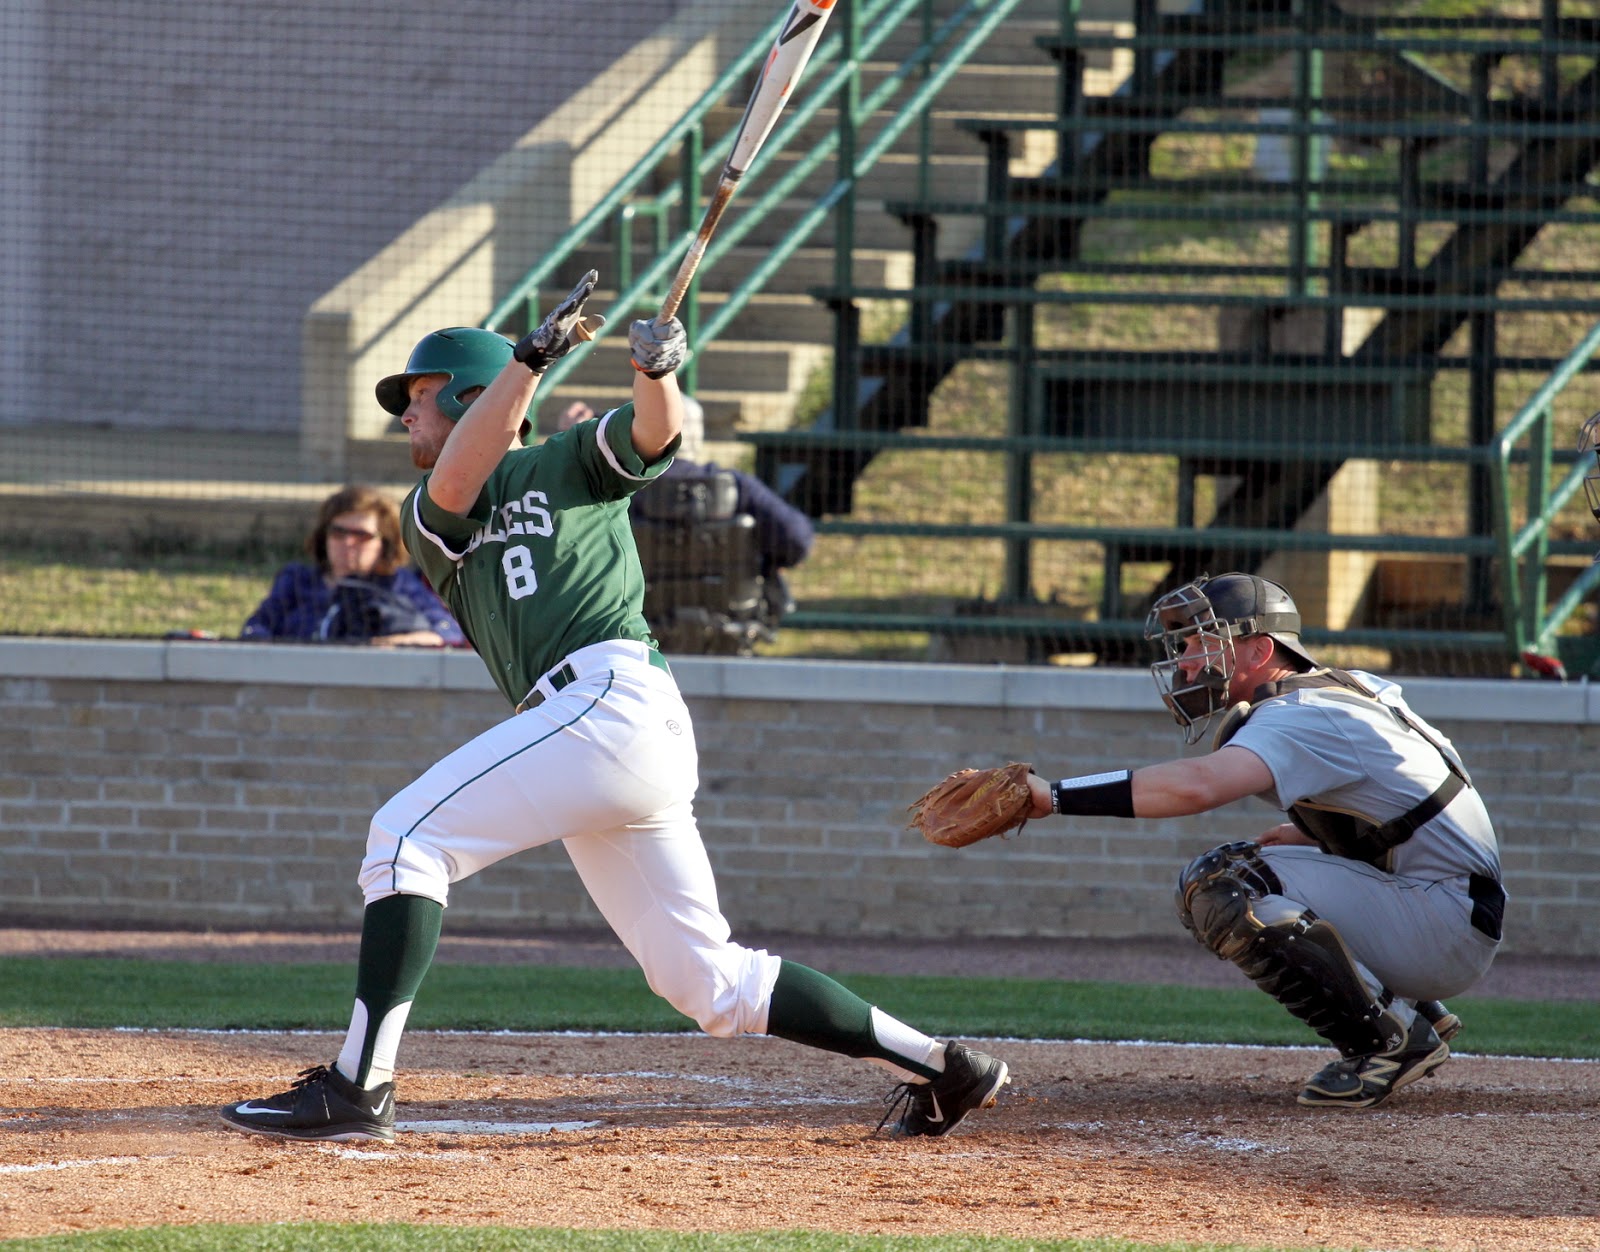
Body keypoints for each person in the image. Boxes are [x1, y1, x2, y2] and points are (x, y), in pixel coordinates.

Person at [219, 272, 1008, 1144]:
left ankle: (358, 1084)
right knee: (705, 982)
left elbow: (652, 432)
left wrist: (657, 370)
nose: (405, 414)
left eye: (421, 396)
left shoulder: (566, 461)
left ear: (474, 395)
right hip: (595, 727)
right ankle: (944, 1066)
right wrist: (528, 364)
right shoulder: (424, 513)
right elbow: (460, 476)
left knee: (406, 840)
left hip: (610, 698)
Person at [1009, 572, 1503, 1109]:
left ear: (1260, 650)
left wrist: (1051, 796)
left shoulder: (1302, 715)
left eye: (1203, 641)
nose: (1187, 660)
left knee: (1223, 883)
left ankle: (1387, 1042)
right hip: (1446, 904)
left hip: (1441, 924)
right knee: (1268, 856)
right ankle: (1410, 1009)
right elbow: (1411, 801)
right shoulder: (1345, 688)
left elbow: (1197, 787)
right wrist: (1318, 837)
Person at [561, 395, 814, 582]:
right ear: (698, 435)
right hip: (728, 623)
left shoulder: (616, 487)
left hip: (634, 624)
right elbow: (797, 540)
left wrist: (579, 442)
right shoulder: (737, 487)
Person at [241, 484, 465, 647]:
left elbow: (448, 632)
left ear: (384, 543)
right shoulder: (298, 580)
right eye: (338, 533)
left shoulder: (399, 584)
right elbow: (255, 629)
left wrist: (394, 643)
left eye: (361, 535)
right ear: (323, 537)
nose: (348, 543)